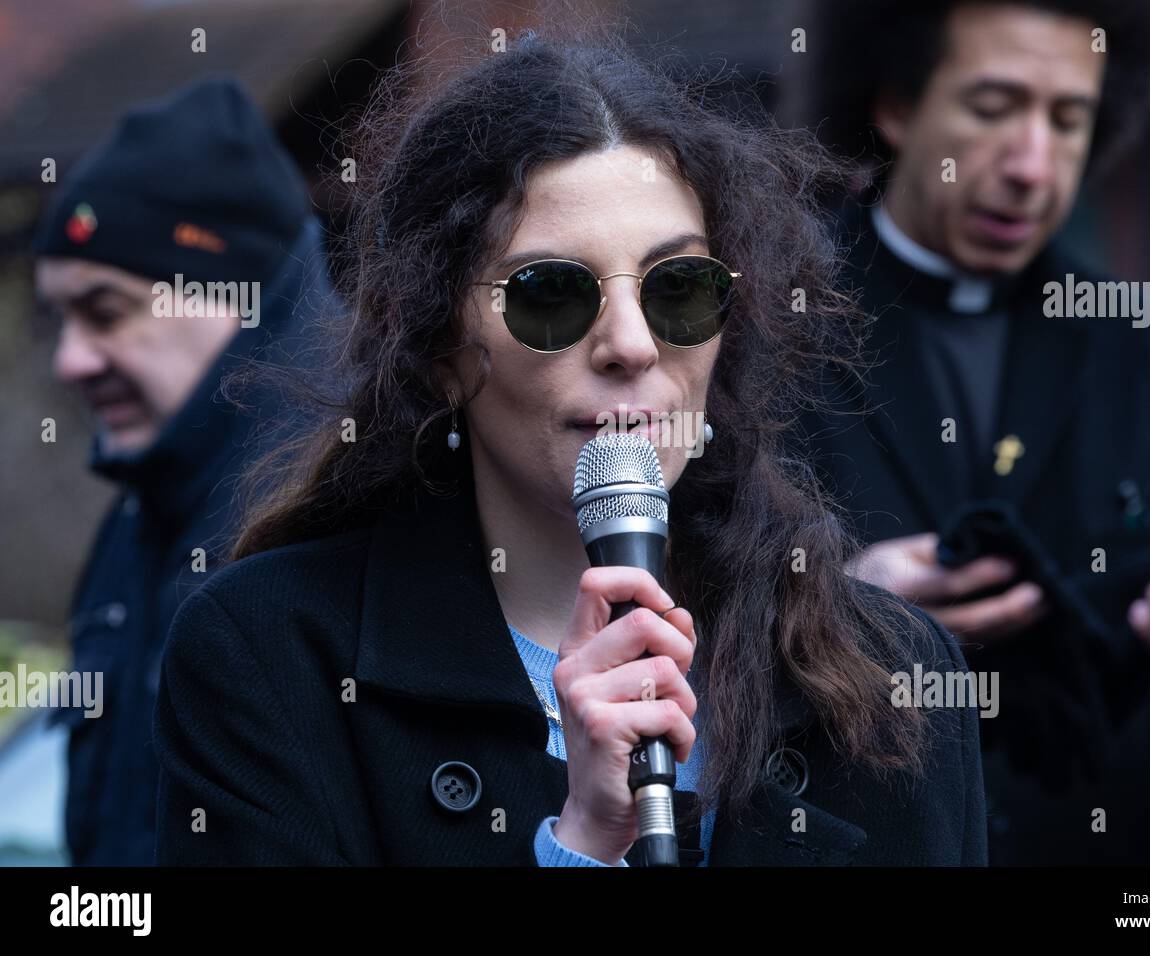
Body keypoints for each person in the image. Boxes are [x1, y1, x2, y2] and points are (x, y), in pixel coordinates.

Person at [151, 29, 987, 866]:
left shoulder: (890, 674)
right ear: (441, 351)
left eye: (680, 287)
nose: (631, 343)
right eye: (552, 294)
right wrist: (583, 844)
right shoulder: (267, 656)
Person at [800, 0, 1150, 865]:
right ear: (895, 106)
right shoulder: (758, 340)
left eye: (1069, 118)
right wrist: (824, 619)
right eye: (993, 108)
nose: (1034, 164)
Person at [32, 75, 334, 865]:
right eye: (56, 318)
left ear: (231, 294)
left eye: (104, 312)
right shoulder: (148, 503)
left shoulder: (341, 513)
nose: (69, 360)